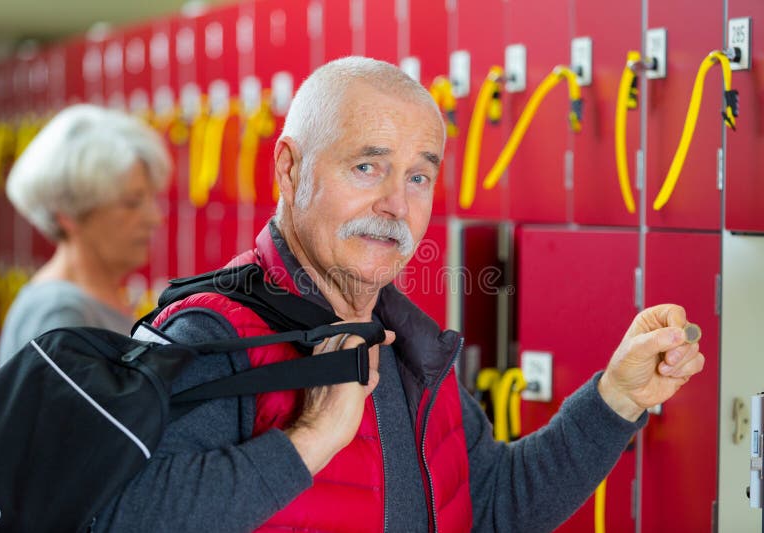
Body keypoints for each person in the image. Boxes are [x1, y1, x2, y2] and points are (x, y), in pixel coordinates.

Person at [95, 57, 704, 532]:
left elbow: (492, 504)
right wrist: (311, 438)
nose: (396, 204)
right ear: (289, 168)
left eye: (418, 176)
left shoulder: (408, 345)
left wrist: (618, 398)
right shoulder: (212, 338)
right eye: (368, 166)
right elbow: (119, 516)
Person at [0, 104, 171, 368]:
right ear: (69, 213)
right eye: (132, 203)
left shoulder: (91, 302)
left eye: (150, 199)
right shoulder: (60, 316)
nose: (154, 218)